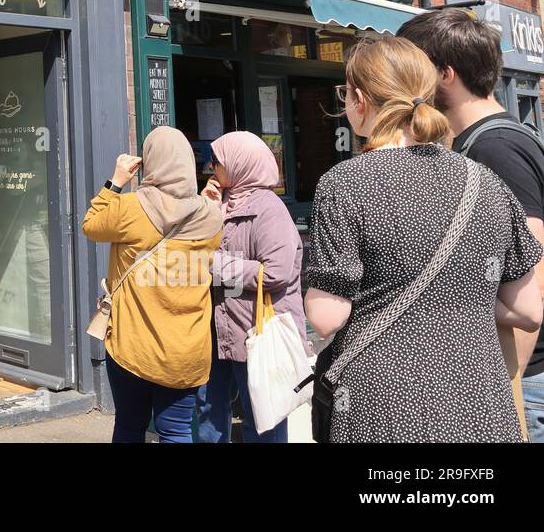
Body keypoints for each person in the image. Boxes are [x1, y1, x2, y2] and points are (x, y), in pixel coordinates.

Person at [304, 35, 543, 442]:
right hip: (481, 404)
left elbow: (327, 318)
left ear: (360, 100)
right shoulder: (484, 180)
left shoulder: (344, 184)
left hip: (382, 405)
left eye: (345, 93)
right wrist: (458, 297)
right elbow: (529, 311)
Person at [399, 8, 544, 441]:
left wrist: (504, 393)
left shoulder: (494, 149)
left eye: (413, 70)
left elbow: (532, 280)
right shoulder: (492, 141)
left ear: (444, 75)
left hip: (520, 382)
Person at [82, 126, 223, 443]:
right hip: (187, 349)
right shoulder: (211, 216)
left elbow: (91, 224)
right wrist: (204, 201)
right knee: (176, 432)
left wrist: (116, 181)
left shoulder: (130, 208)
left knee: (130, 426)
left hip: (133, 345)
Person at [195, 131, 306, 443]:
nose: (210, 168)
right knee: (209, 411)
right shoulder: (222, 204)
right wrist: (207, 209)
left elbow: (277, 272)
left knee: (262, 419)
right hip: (218, 330)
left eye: (217, 161)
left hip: (256, 334)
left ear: (240, 164)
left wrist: (214, 265)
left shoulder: (269, 209)